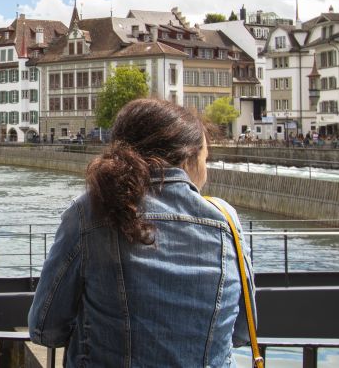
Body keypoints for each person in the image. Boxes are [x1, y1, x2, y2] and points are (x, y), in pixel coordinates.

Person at [29, 98, 255, 366]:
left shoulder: (90, 211)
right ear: (188, 157)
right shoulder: (227, 221)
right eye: (206, 158)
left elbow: (45, 328)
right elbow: (241, 332)